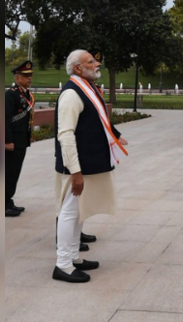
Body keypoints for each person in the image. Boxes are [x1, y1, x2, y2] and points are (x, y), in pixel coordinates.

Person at [52, 49, 128, 283]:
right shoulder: (72, 94)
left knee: (79, 213)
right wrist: (75, 171)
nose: (97, 64)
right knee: (70, 213)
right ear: (78, 68)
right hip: (78, 167)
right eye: (91, 62)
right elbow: (65, 134)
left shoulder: (87, 89)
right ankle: (62, 265)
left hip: (89, 164)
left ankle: (73, 256)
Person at [5, 60, 35, 217]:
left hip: (21, 141)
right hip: (11, 142)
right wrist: (7, 140)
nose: (29, 78)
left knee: (14, 172)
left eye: (30, 75)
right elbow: (4, 118)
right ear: (17, 78)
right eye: (25, 76)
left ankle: (8, 201)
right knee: (8, 172)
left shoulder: (27, 94)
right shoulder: (11, 94)